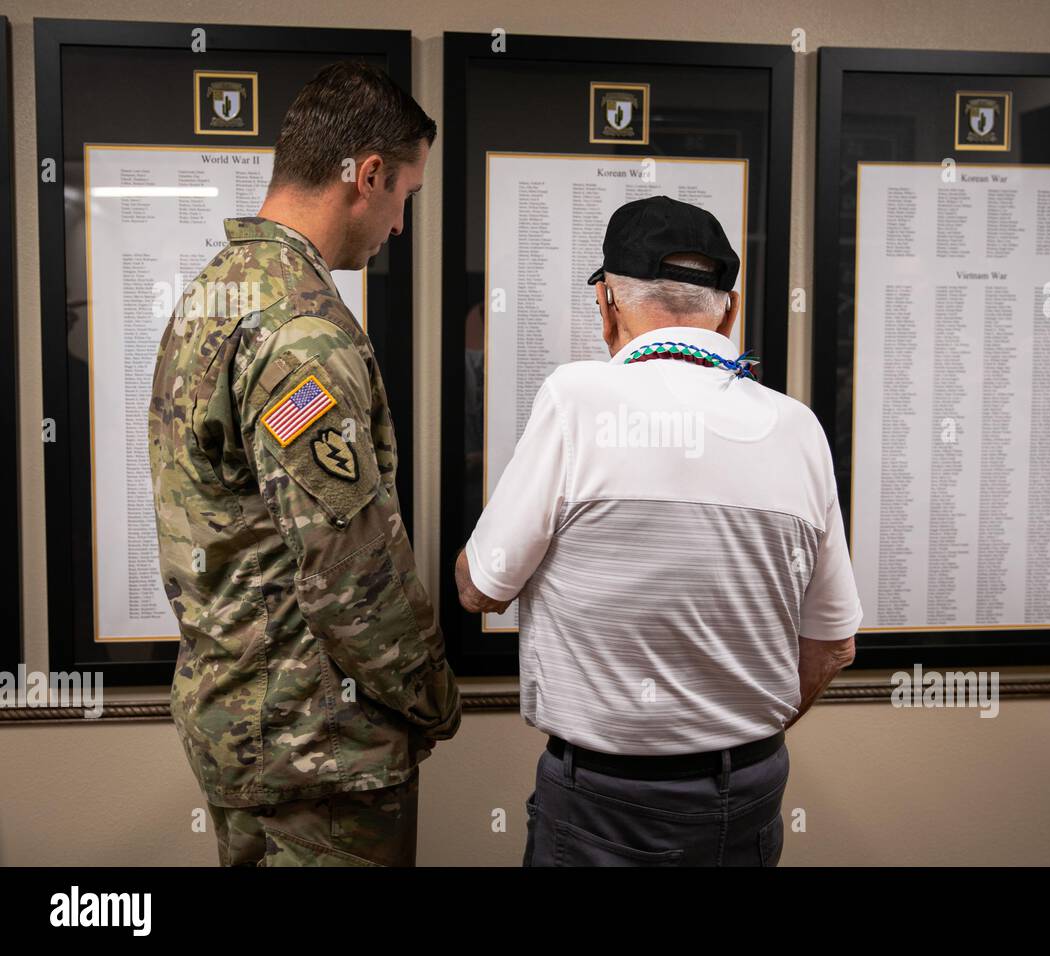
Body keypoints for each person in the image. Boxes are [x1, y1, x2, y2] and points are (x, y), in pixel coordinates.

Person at [455, 195, 862, 866]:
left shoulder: (575, 398)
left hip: (604, 803)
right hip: (749, 791)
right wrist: (728, 734)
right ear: (729, 309)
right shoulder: (798, 428)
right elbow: (832, 647)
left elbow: (481, 590)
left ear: (606, 300)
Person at [148, 61, 460, 867]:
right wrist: (431, 696)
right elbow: (347, 561)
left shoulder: (214, 294)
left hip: (250, 728)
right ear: (368, 175)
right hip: (317, 757)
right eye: (405, 197)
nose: (399, 225)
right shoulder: (300, 330)